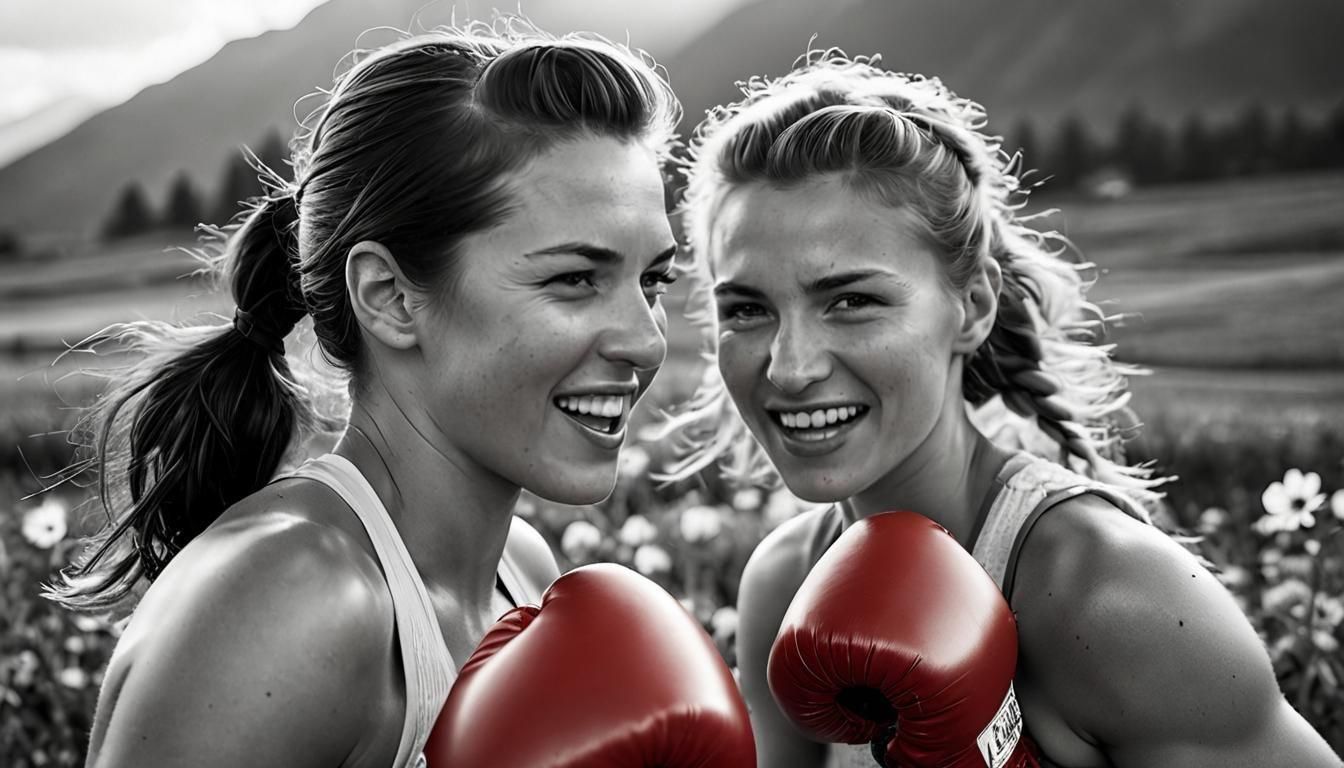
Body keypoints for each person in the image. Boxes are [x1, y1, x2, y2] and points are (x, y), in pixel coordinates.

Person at [662, 50, 1342, 767]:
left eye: (851, 300)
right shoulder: (783, 582)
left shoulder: (1107, 596)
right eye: (746, 308)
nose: (790, 367)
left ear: (973, 305)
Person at [51, 20, 686, 767]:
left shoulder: (523, 571)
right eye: (574, 279)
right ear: (388, 297)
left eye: (654, 281)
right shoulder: (295, 597)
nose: (646, 340)